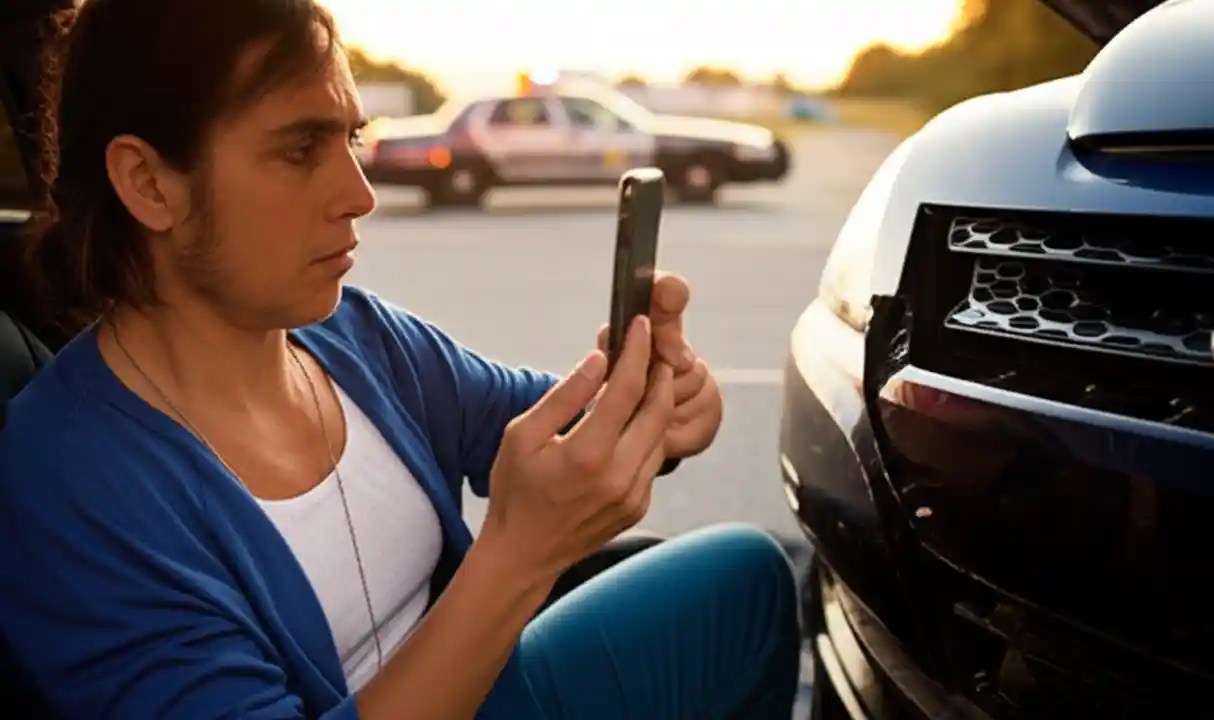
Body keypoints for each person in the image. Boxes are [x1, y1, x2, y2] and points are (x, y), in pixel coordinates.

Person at [0, 1, 800, 718]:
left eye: (349, 138)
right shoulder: (60, 481)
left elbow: (543, 424)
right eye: (300, 148)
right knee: (740, 581)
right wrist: (517, 557)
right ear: (149, 183)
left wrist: (661, 397)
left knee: (728, 579)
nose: (360, 192)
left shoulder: (357, 339)